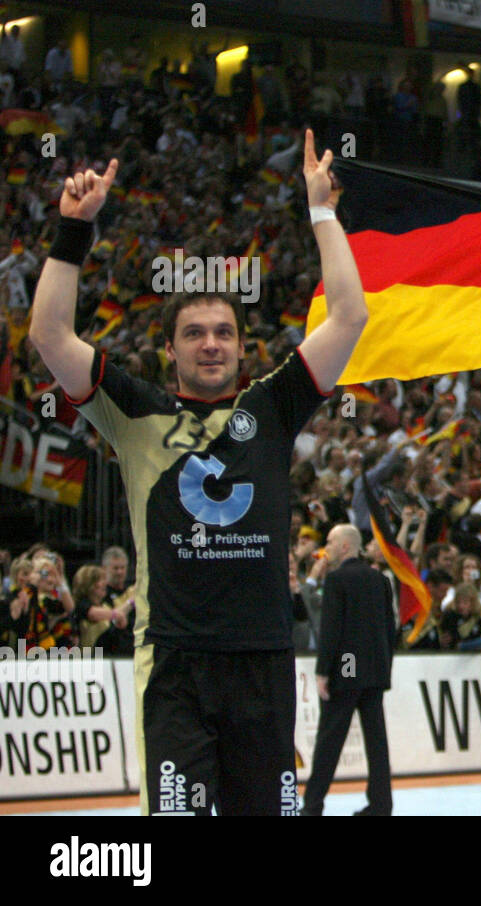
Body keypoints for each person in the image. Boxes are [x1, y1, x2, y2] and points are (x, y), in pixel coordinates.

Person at [30, 130, 368, 815]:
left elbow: (351, 315)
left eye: (222, 332)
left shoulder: (273, 406)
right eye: (194, 332)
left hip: (264, 661)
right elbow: (50, 337)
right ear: (170, 349)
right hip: (175, 668)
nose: (210, 343)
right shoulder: (134, 410)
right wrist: (73, 232)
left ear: (243, 349)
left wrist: (322, 212)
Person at [302, 525, 396, 817]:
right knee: (376, 742)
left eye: (330, 542)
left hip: (348, 670)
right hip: (375, 673)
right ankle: (381, 805)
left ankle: (313, 806)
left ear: (344, 546)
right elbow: (389, 630)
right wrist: (384, 669)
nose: (325, 547)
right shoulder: (380, 580)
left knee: (329, 741)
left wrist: (323, 672)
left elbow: (332, 630)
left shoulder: (337, 580)